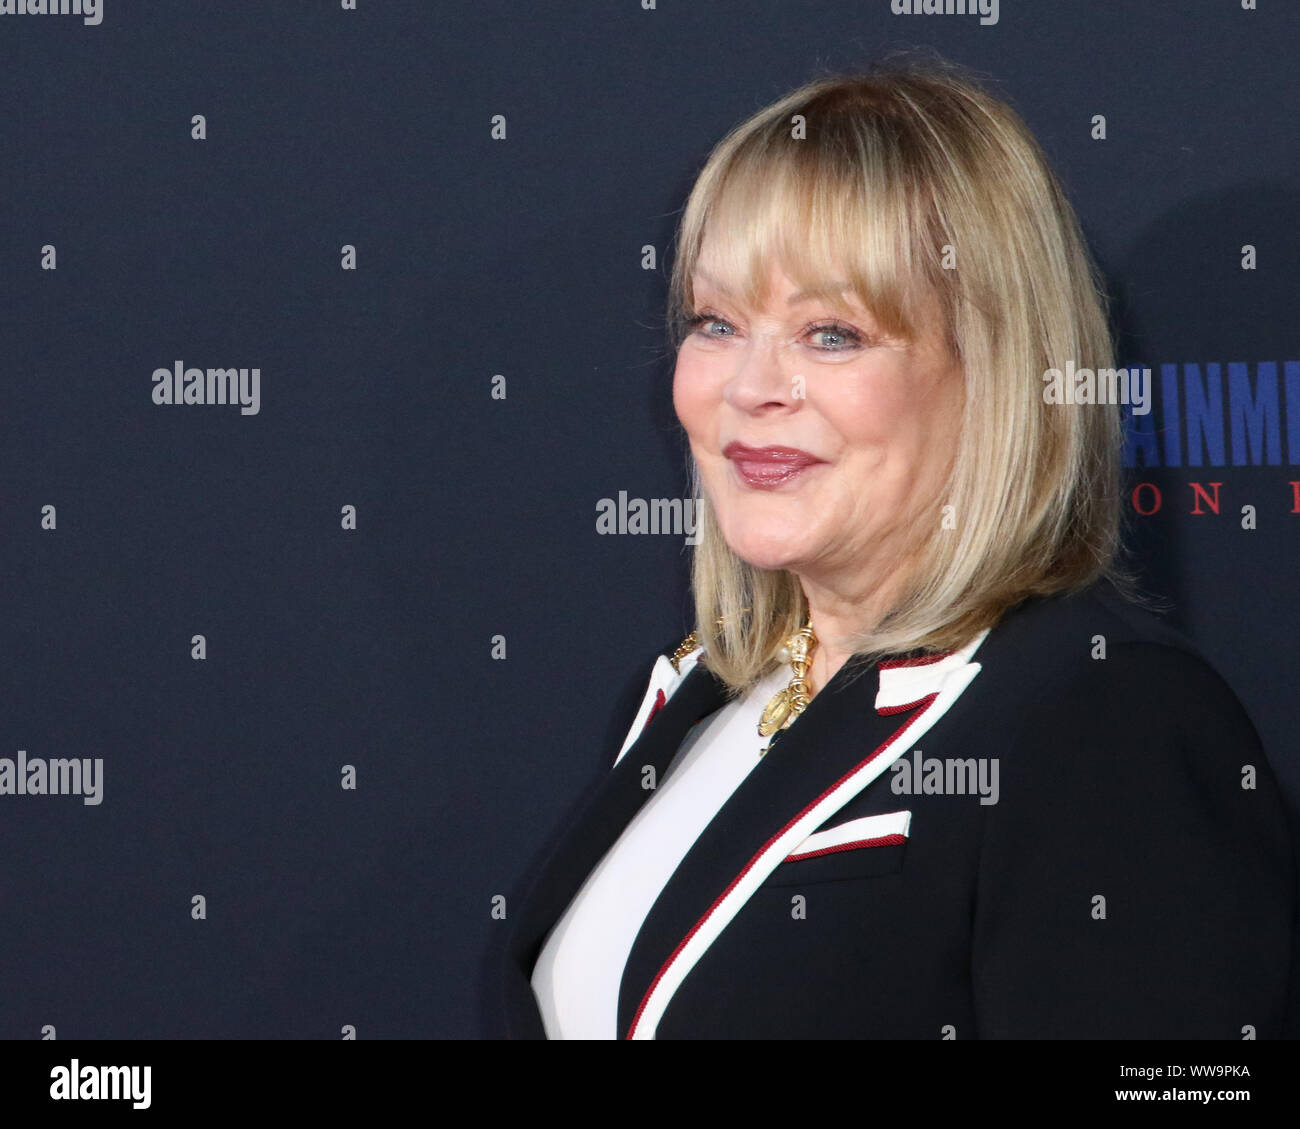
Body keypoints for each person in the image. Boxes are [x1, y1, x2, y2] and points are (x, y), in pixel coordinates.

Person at [501, 59, 1297, 1039]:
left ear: (992, 371)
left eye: (831, 333)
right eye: (716, 322)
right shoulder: (701, 685)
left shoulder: (1099, 713)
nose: (752, 386)